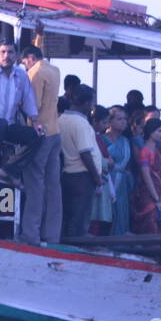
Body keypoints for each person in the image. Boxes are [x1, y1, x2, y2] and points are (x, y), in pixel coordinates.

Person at [20, 44, 63, 244]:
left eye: (24, 62)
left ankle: (31, 235)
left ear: (29, 58)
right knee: (53, 187)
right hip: (55, 131)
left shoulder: (35, 74)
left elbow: (32, 106)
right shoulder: (54, 69)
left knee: (34, 186)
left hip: (40, 134)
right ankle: (52, 235)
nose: (24, 67)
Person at [0, 40, 40, 180]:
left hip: (8, 125)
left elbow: (29, 100)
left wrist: (36, 122)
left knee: (38, 135)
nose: (6, 55)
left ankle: (9, 169)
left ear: (17, 56)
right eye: (3, 52)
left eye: (10, 52)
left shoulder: (21, 75)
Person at [56, 84, 103, 243]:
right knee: (80, 219)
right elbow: (85, 153)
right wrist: (96, 177)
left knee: (69, 216)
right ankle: (75, 249)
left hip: (68, 174)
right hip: (82, 176)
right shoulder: (80, 123)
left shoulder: (62, 119)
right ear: (86, 103)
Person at [130, 118, 161, 234]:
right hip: (148, 194)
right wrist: (156, 199)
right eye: (159, 131)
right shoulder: (145, 151)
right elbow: (147, 177)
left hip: (158, 190)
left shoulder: (159, 150)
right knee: (150, 223)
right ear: (151, 132)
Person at [103, 105, 135, 236]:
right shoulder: (101, 139)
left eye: (125, 119)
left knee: (121, 212)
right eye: (119, 119)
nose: (123, 122)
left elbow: (126, 164)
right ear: (110, 121)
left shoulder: (125, 141)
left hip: (122, 183)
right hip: (106, 181)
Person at [89, 106, 113, 235]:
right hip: (95, 179)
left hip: (103, 179)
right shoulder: (90, 136)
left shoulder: (99, 138)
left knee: (100, 215)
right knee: (94, 215)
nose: (106, 126)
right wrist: (106, 162)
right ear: (94, 122)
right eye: (104, 123)